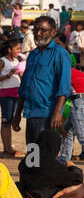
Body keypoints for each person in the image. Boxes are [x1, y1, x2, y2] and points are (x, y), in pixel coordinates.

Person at [20, 17, 71, 147]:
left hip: (48, 114)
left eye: (43, 31)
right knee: (32, 156)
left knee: (44, 156)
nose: (38, 33)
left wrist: (57, 113)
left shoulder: (60, 54)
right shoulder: (33, 54)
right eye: (36, 30)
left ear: (53, 32)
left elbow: (64, 87)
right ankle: (33, 167)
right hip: (31, 113)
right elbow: (25, 85)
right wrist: (17, 115)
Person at [18, 130, 82, 198]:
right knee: (71, 188)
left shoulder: (25, 163)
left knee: (18, 185)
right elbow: (77, 179)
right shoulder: (55, 168)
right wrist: (71, 165)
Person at [0, 34, 24, 159]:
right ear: (10, 49)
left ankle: (9, 148)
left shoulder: (17, 61)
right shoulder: (2, 61)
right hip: (6, 94)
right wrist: (7, 75)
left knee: (11, 121)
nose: (19, 51)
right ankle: (6, 149)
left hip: (17, 93)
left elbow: (19, 77)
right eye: (17, 49)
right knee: (6, 121)